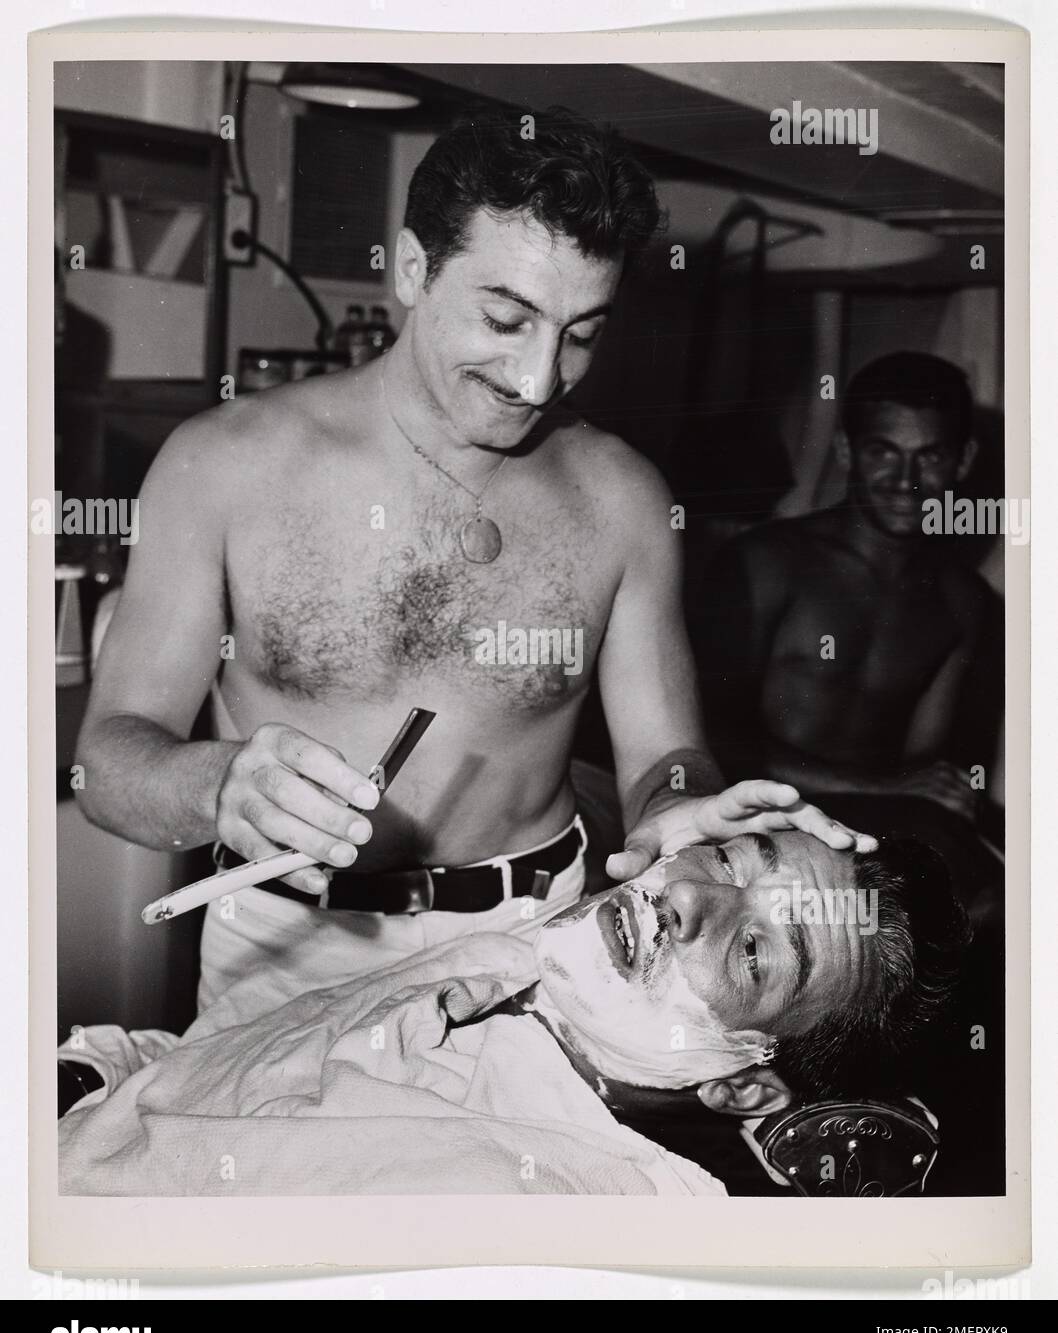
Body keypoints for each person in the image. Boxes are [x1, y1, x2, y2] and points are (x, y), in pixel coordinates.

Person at [75, 106, 872, 1008]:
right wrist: (219, 784)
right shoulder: (220, 464)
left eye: (581, 335)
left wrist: (675, 805)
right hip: (285, 948)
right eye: (507, 318)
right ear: (413, 269)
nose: (539, 380)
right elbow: (105, 765)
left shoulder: (623, 497)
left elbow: (666, 753)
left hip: (537, 948)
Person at [57, 829, 967, 1196]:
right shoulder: (509, 961)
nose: (690, 897)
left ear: (739, 1087)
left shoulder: (516, 1198)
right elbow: (210, 1057)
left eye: (757, 952)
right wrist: (91, 1070)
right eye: (733, 860)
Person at [695, 352, 997, 821]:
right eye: (883, 452)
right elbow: (706, 735)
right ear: (845, 450)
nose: (906, 481)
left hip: (871, 833)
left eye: (930, 456)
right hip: (751, 820)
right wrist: (878, 786)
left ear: (964, 460)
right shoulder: (766, 563)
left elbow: (928, 768)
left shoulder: (964, 601)